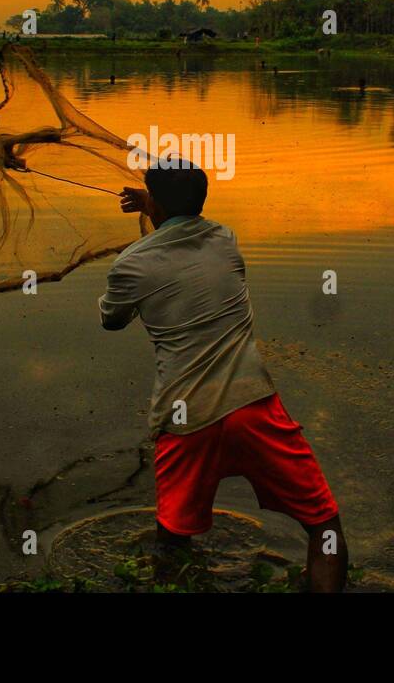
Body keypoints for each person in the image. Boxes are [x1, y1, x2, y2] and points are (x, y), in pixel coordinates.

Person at [99, 161, 347, 591]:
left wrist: (151, 215)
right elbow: (177, 252)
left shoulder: (129, 267)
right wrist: (155, 209)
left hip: (186, 417)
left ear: (154, 203)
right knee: (325, 527)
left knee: (173, 541)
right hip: (252, 405)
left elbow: (114, 319)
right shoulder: (226, 241)